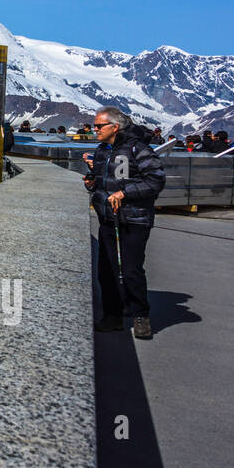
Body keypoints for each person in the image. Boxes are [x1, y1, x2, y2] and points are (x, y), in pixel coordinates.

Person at [83, 107, 166, 340]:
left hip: (134, 219)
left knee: (131, 269)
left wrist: (125, 193)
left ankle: (140, 314)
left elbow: (156, 179)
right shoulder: (102, 151)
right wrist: (91, 182)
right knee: (106, 270)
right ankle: (112, 315)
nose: (94, 130)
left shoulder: (138, 149)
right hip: (108, 217)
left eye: (99, 126)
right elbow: (102, 181)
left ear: (114, 127)